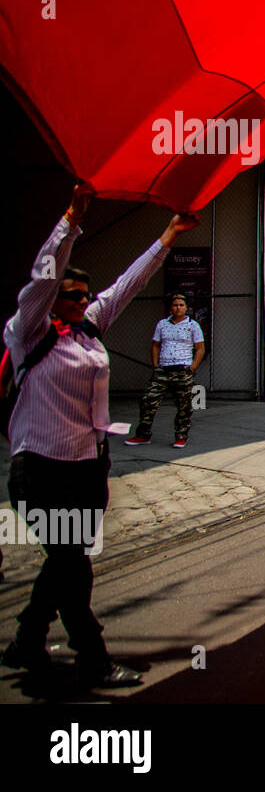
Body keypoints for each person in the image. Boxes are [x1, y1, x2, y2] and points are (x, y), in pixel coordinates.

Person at [2, 184, 198, 688]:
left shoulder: (90, 327)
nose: (84, 301)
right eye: (73, 294)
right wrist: (71, 218)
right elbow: (43, 275)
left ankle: (26, 641)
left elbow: (128, 284)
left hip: (88, 468)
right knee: (73, 565)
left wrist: (167, 238)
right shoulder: (30, 329)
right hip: (39, 469)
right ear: (54, 298)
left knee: (69, 560)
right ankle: (93, 660)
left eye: (87, 295)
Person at [123, 293, 205, 448]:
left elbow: (200, 348)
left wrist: (192, 367)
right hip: (163, 369)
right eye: (175, 305)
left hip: (183, 369)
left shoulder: (193, 325)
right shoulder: (162, 324)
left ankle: (181, 436)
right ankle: (143, 435)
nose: (178, 308)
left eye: (181, 305)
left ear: (186, 308)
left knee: (184, 405)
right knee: (148, 401)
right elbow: (155, 345)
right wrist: (156, 366)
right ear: (170, 307)